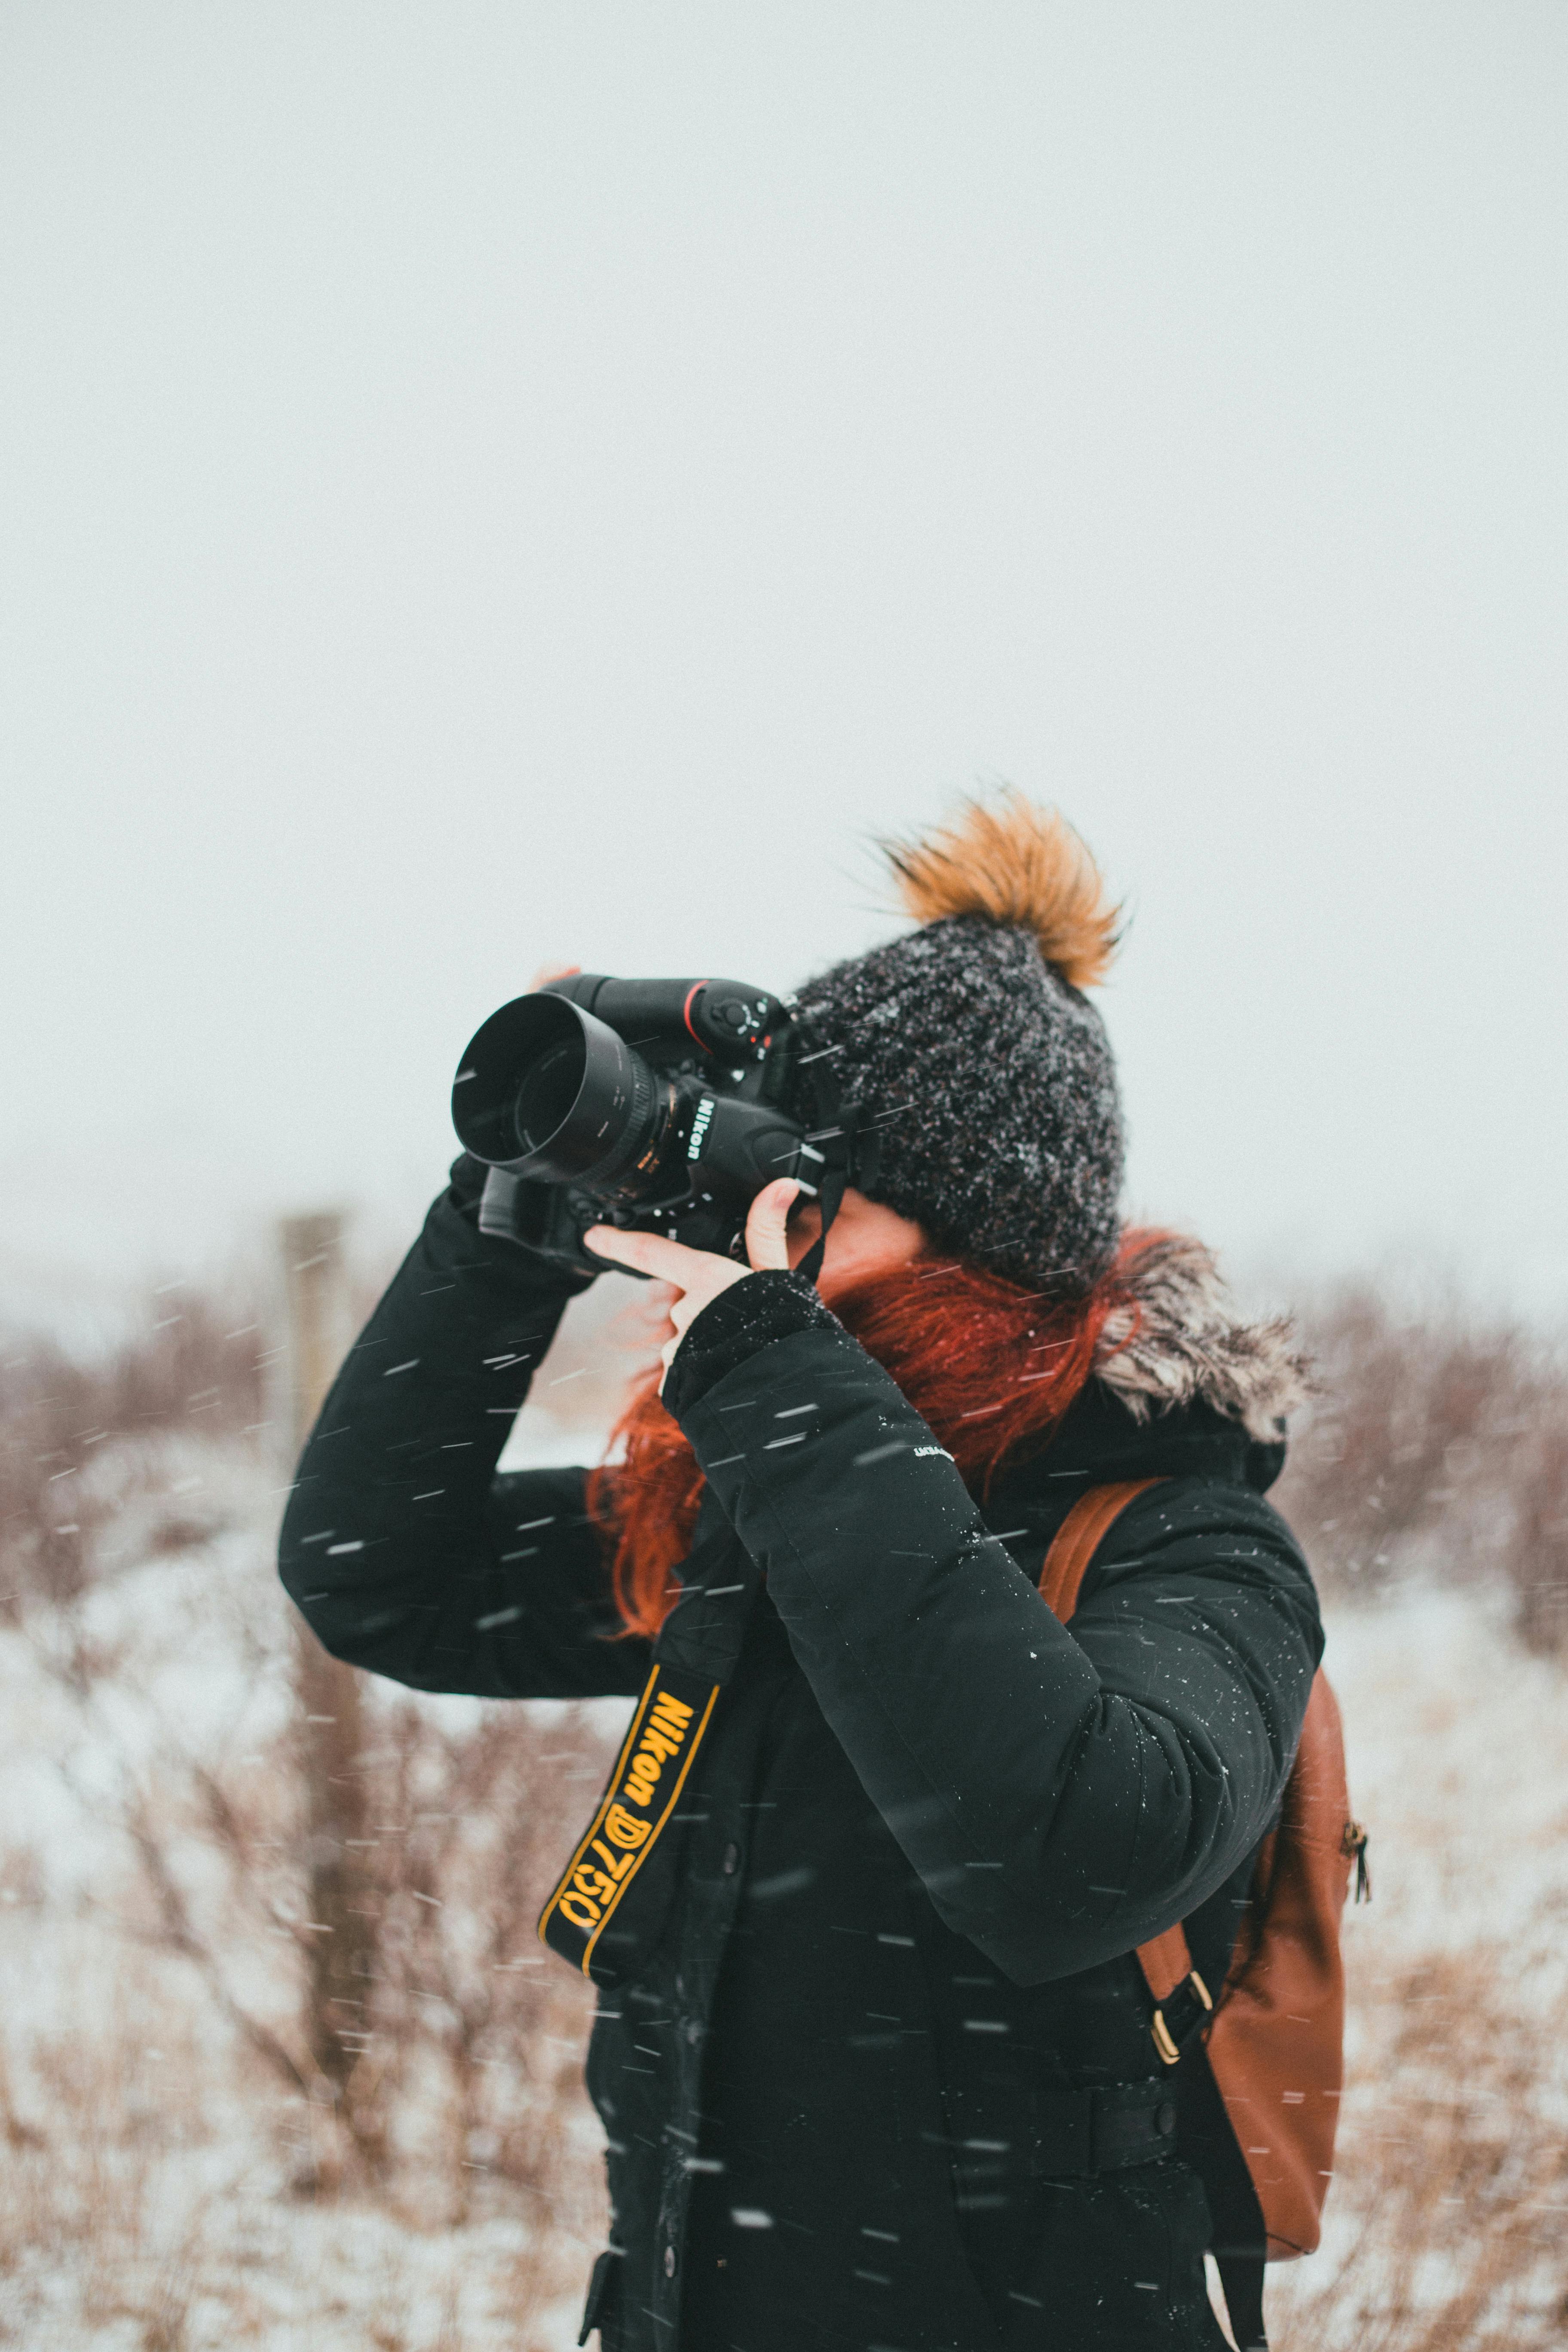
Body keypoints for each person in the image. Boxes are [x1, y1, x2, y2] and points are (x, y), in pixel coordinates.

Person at [280, 794, 1319, 2352]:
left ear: (982, 1255)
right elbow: (382, 1574)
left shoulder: (1188, 1540)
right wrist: (507, 1232)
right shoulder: (761, 1514)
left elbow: (1074, 1851)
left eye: (822, 1214)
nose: (772, 1254)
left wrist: (773, 1361)